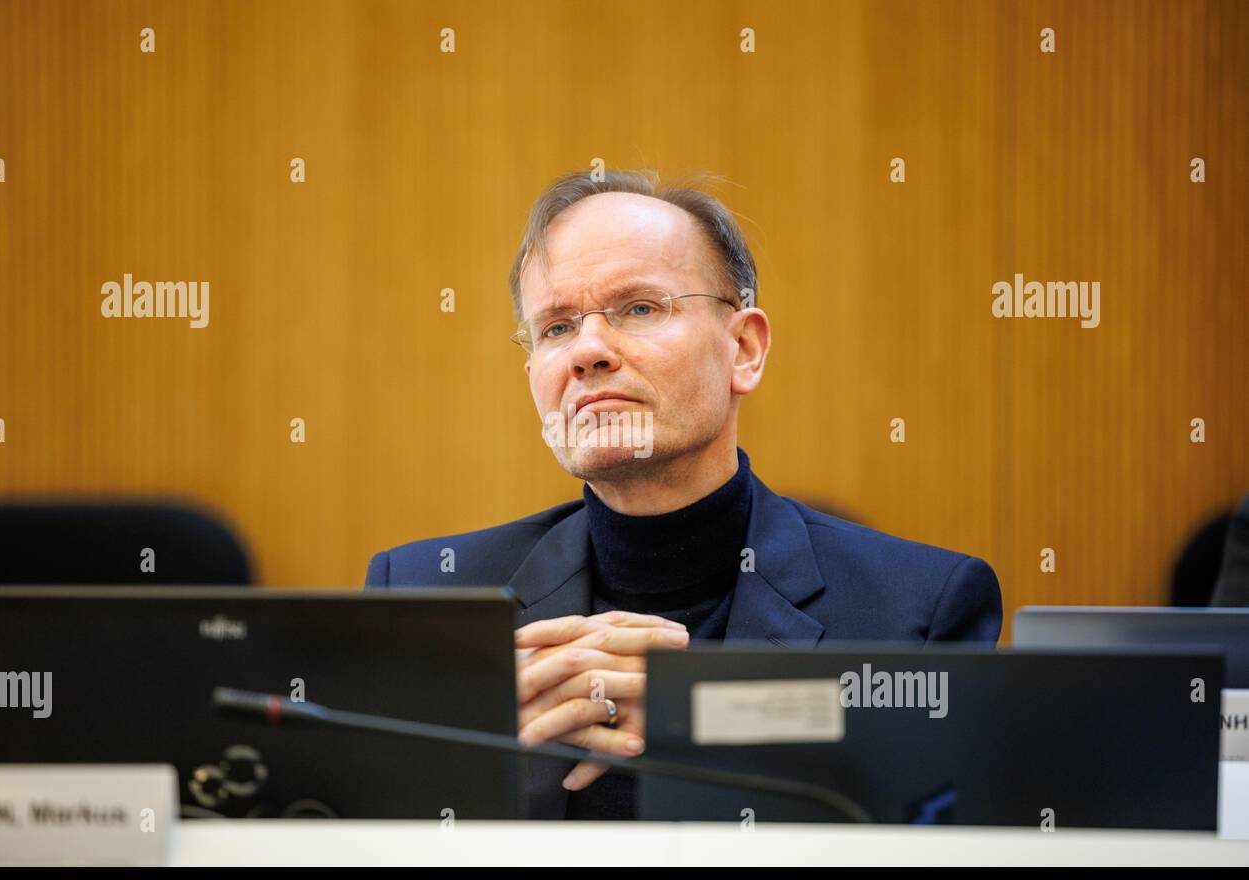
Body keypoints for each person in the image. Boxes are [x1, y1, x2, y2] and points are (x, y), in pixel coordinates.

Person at [365, 169, 1002, 819]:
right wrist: (470, 752)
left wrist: (702, 719)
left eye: (639, 308)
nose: (587, 350)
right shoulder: (423, 596)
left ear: (744, 349)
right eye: (556, 327)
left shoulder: (917, 610)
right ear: (535, 376)